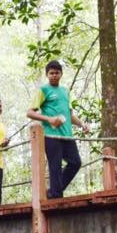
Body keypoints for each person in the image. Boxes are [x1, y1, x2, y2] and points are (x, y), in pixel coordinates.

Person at [27, 60, 92, 199]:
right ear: (47, 75)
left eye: (57, 73)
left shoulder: (65, 91)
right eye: (51, 73)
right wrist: (49, 119)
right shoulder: (43, 90)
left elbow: (69, 114)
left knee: (75, 162)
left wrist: (82, 124)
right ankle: (56, 196)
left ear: (61, 74)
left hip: (67, 135)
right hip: (51, 136)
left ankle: (53, 192)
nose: (54, 75)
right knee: (55, 167)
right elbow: (30, 113)